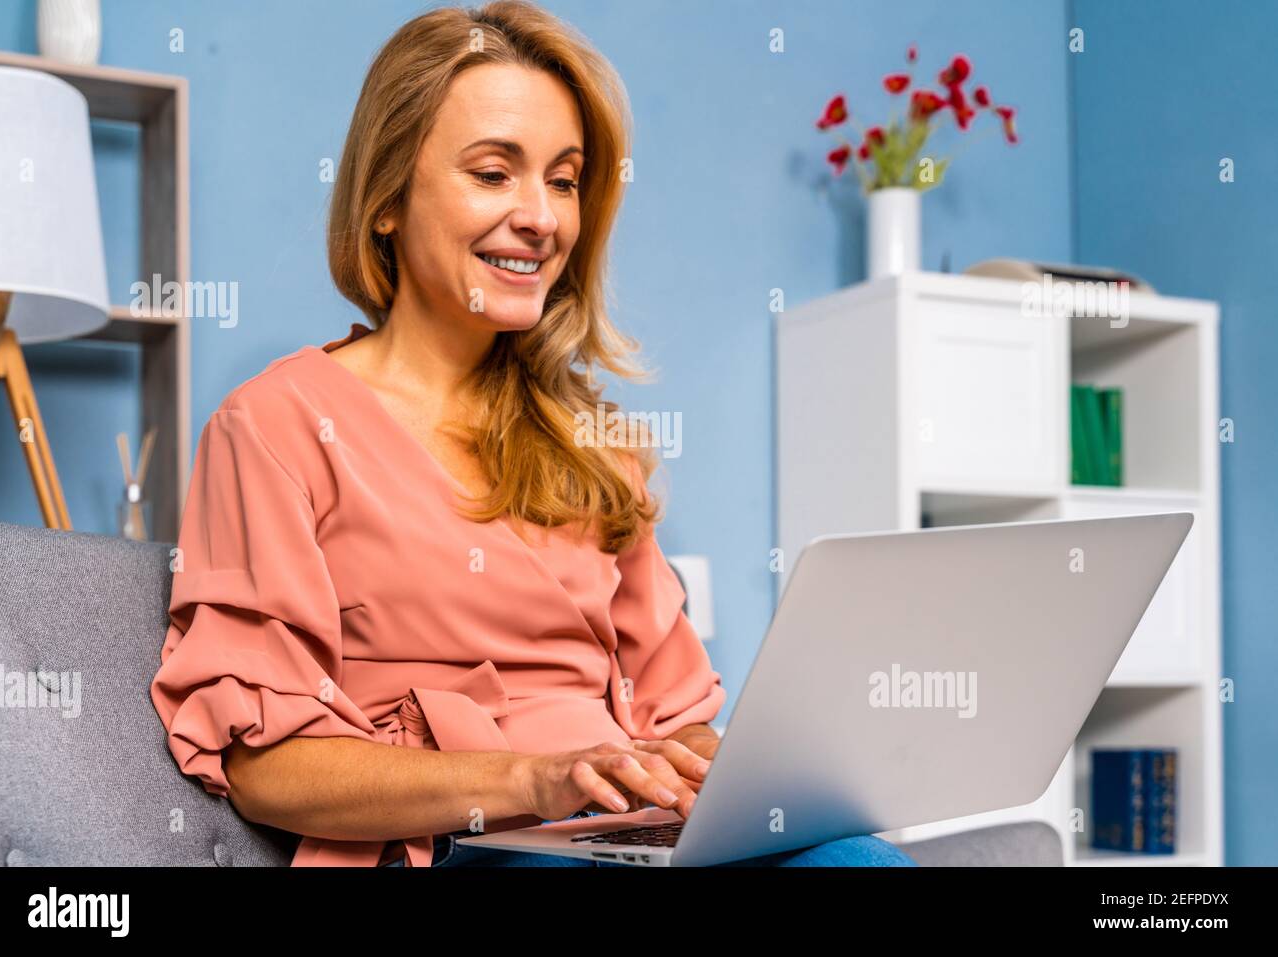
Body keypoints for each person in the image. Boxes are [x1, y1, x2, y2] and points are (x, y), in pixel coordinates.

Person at [148, 0, 915, 869]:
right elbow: (265, 765)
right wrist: (534, 780)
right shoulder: (275, 426)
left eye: (562, 179)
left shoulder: (590, 442)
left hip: (625, 834)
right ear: (388, 198)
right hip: (457, 843)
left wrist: (751, 772)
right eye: (493, 173)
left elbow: (677, 715)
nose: (542, 217)